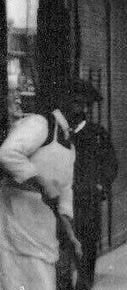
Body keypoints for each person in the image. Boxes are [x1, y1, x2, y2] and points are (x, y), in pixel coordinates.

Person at [0, 85, 85, 290]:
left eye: (85, 106)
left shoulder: (69, 145)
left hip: (42, 228)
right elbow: (7, 154)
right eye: (78, 104)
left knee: (44, 283)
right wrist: (41, 181)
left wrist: (71, 236)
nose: (83, 111)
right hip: (15, 219)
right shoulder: (40, 124)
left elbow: (65, 193)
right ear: (65, 104)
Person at [63, 79, 117, 290]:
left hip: (87, 199)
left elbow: (111, 163)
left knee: (87, 243)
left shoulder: (97, 134)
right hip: (62, 198)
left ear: (87, 107)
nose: (78, 108)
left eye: (81, 104)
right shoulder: (61, 133)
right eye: (74, 103)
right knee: (64, 244)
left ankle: (84, 284)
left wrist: (101, 184)